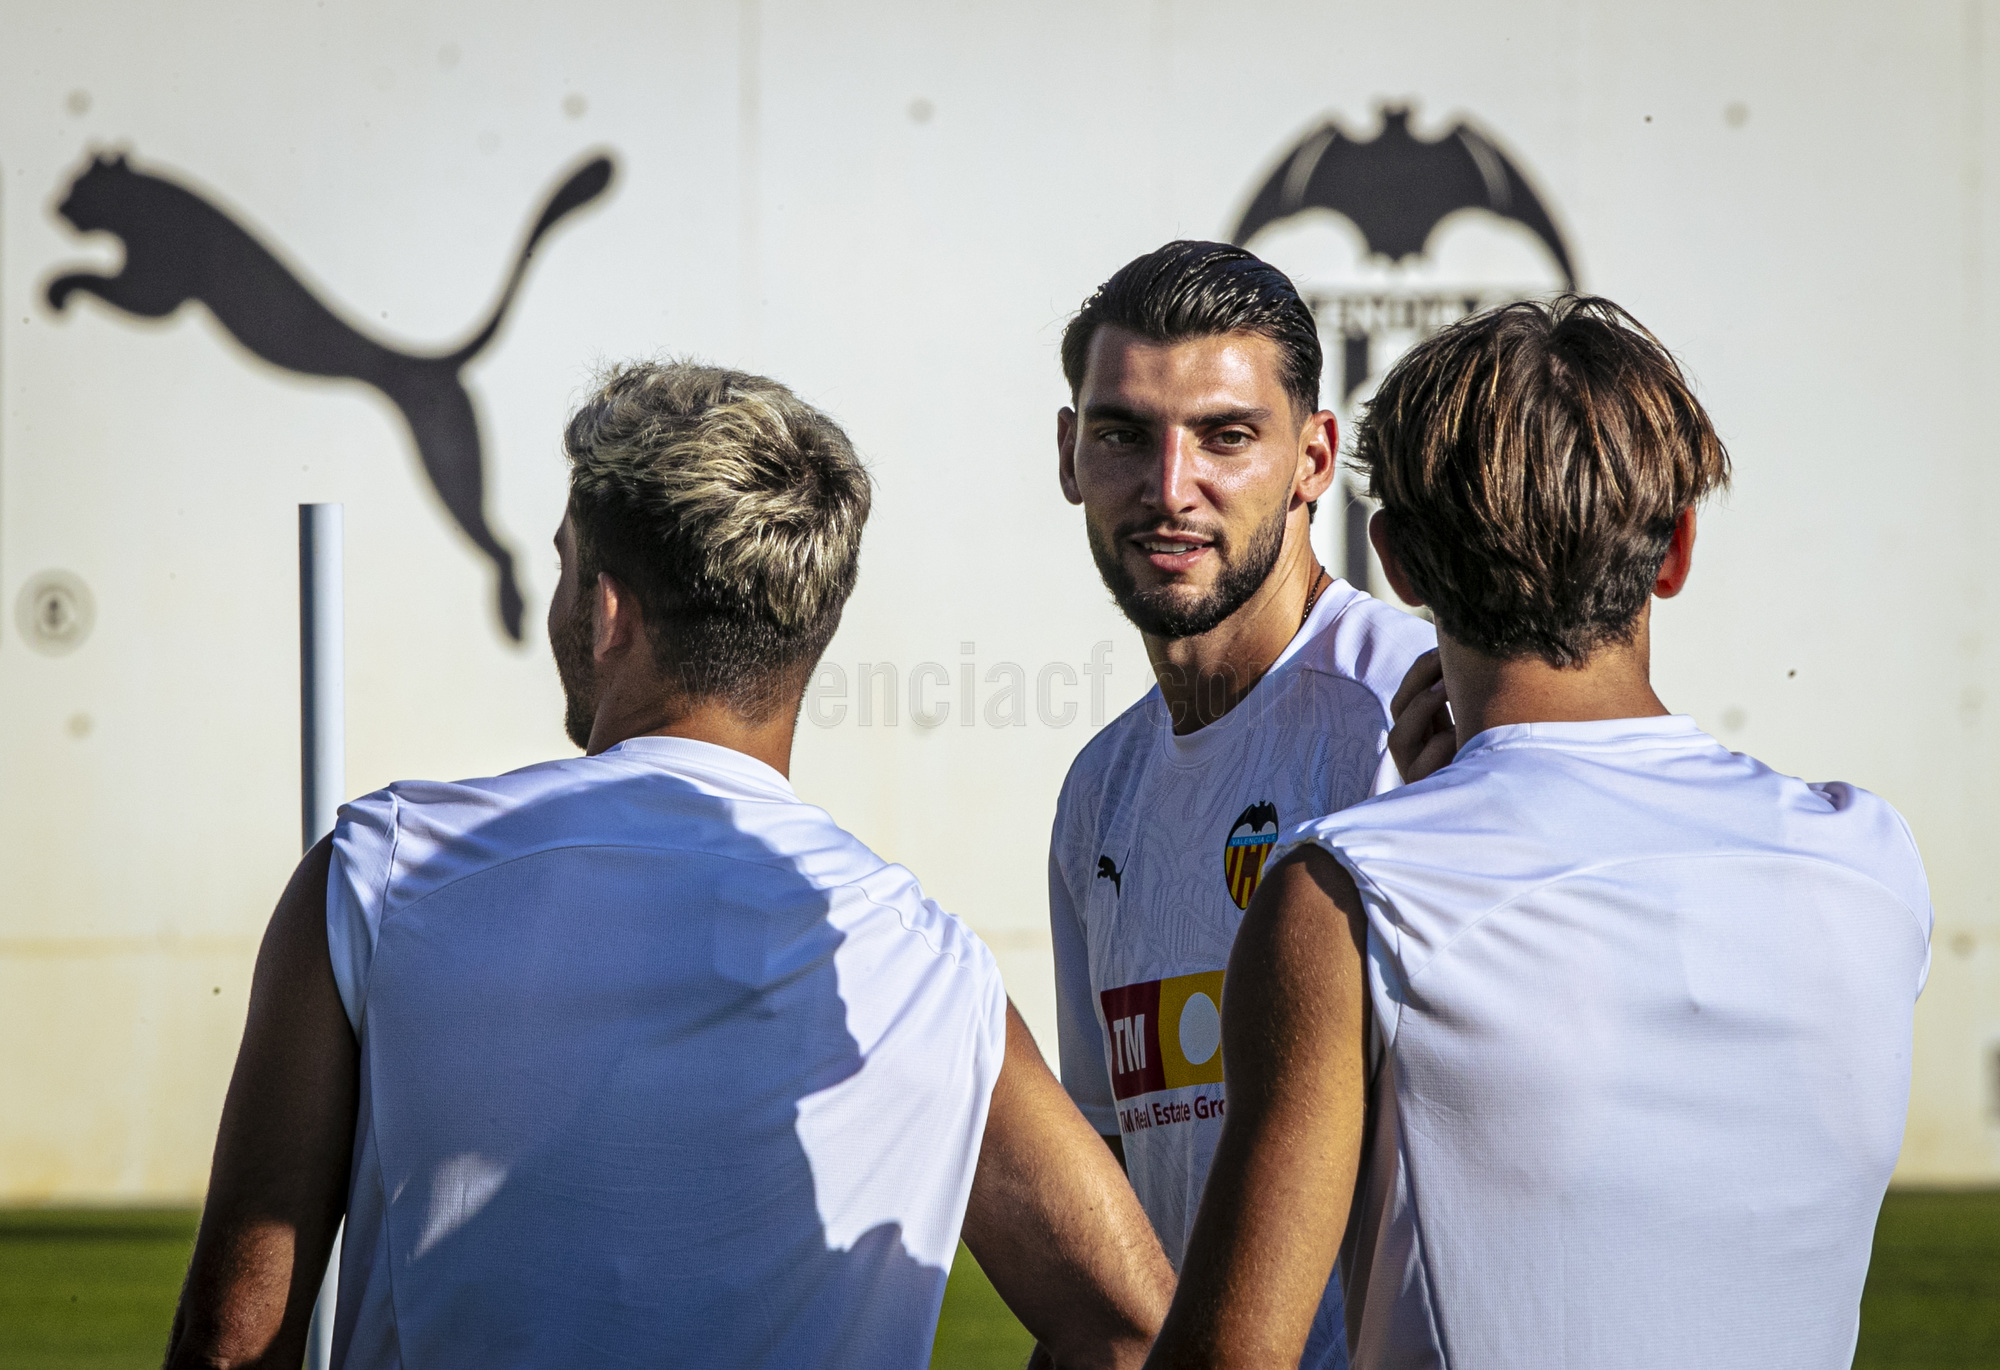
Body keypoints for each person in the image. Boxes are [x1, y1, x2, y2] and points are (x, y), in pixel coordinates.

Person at [164, 362, 1173, 1369]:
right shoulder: (934, 971)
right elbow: (1133, 1329)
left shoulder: (380, 873)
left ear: (607, 609)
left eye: (565, 565)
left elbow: (232, 1341)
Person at [1146, 297, 1934, 1370]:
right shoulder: (1869, 861)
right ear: (1676, 550)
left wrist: (1411, 830)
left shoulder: (1343, 897)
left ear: (1398, 565)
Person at [1048, 240, 1436, 1370]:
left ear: (1313, 456)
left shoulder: (1411, 718)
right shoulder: (1097, 790)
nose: (1170, 487)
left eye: (1225, 435)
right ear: (1068, 455)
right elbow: (1116, 1188)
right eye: (1123, 433)